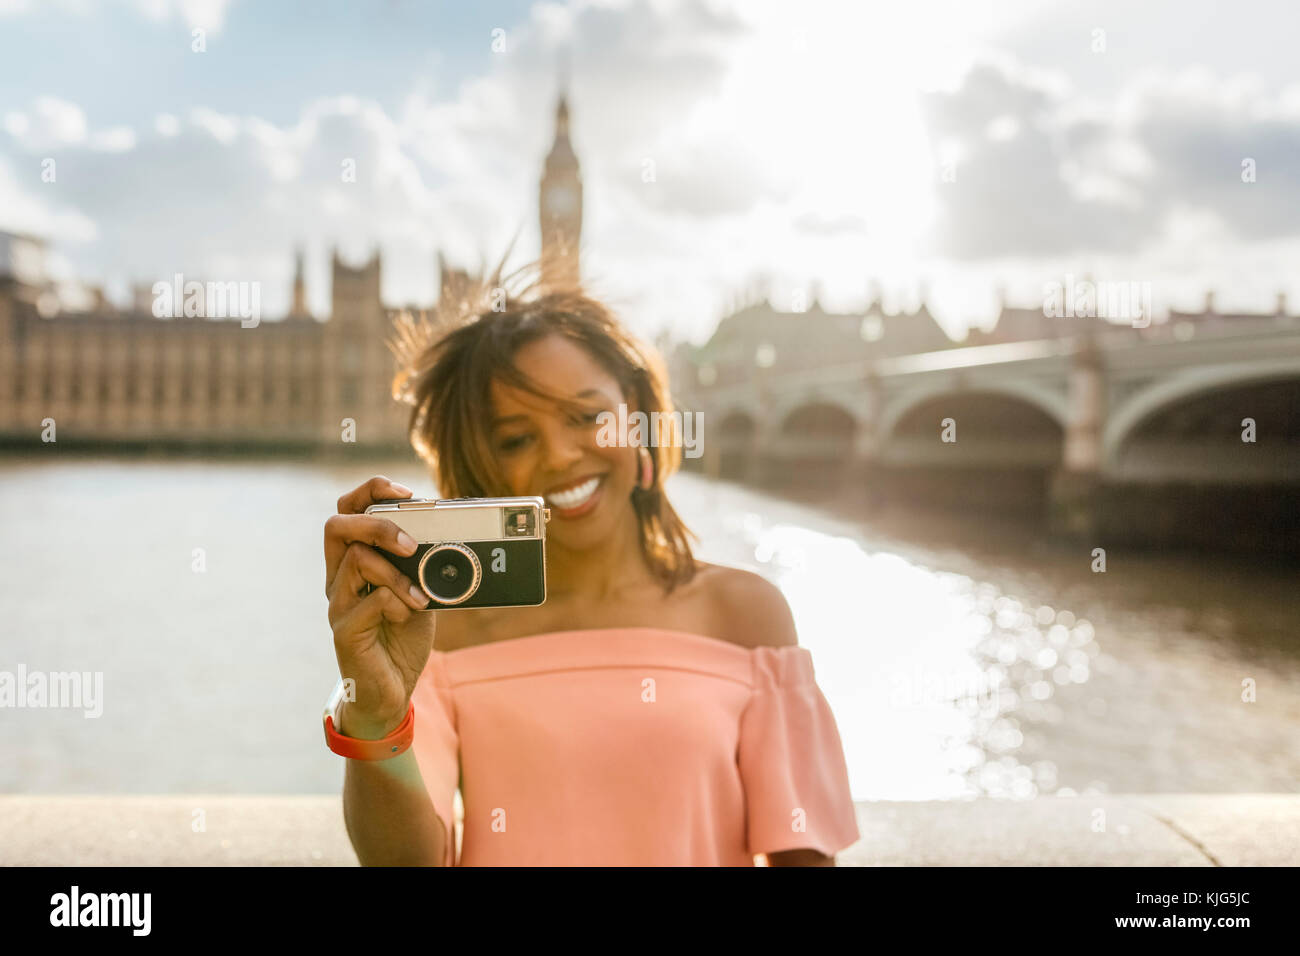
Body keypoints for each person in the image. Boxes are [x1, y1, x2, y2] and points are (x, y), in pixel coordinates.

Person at [322, 257, 859, 866]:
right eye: (516, 439)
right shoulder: (439, 637)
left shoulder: (746, 616)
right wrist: (373, 710)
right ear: (483, 465)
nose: (561, 455)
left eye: (587, 417)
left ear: (636, 410)